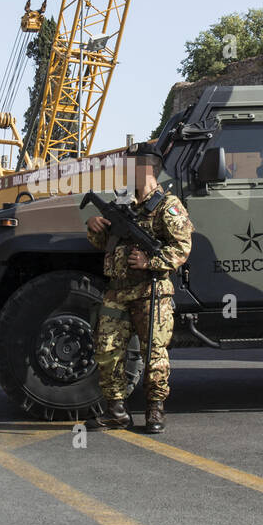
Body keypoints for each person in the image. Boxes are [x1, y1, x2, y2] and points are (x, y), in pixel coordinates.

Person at [84, 142, 193, 434]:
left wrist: (149, 261)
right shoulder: (123, 205)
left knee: (153, 354)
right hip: (117, 290)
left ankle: (155, 409)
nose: (126, 171)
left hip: (151, 290)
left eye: (132, 165)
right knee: (106, 350)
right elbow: (105, 244)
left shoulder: (167, 206)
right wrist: (94, 227)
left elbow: (182, 248)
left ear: (147, 168)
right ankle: (116, 411)